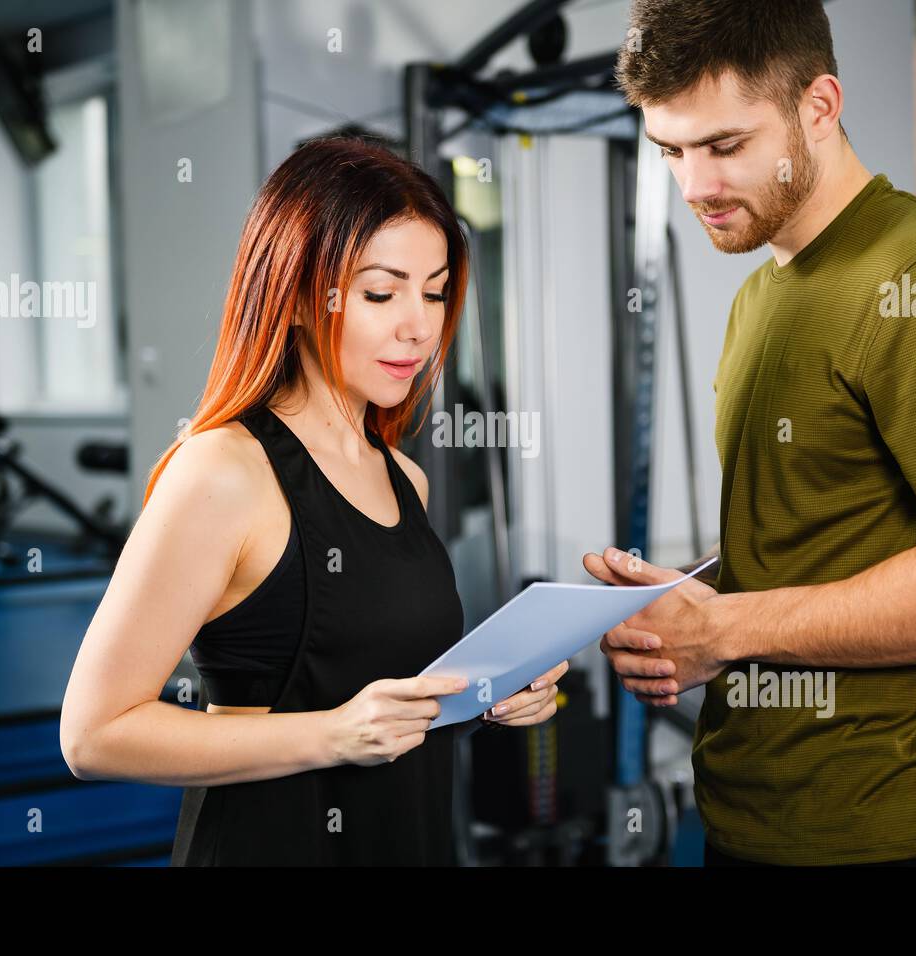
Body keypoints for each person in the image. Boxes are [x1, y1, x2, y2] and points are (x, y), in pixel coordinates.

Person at [584, 0, 916, 866]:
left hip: (890, 835)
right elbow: (820, 537)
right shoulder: (760, 296)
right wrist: (688, 609)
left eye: (724, 146)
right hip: (747, 816)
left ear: (819, 106)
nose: (693, 186)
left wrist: (726, 631)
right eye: (672, 152)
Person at [61, 136, 566, 866]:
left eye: (433, 290)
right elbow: (93, 734)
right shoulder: (223, 472)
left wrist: (496, 692)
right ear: (298, 296)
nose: (419, 325)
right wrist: (331, 735)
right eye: (380, 292)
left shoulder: (404, 479)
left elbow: (386, 692)